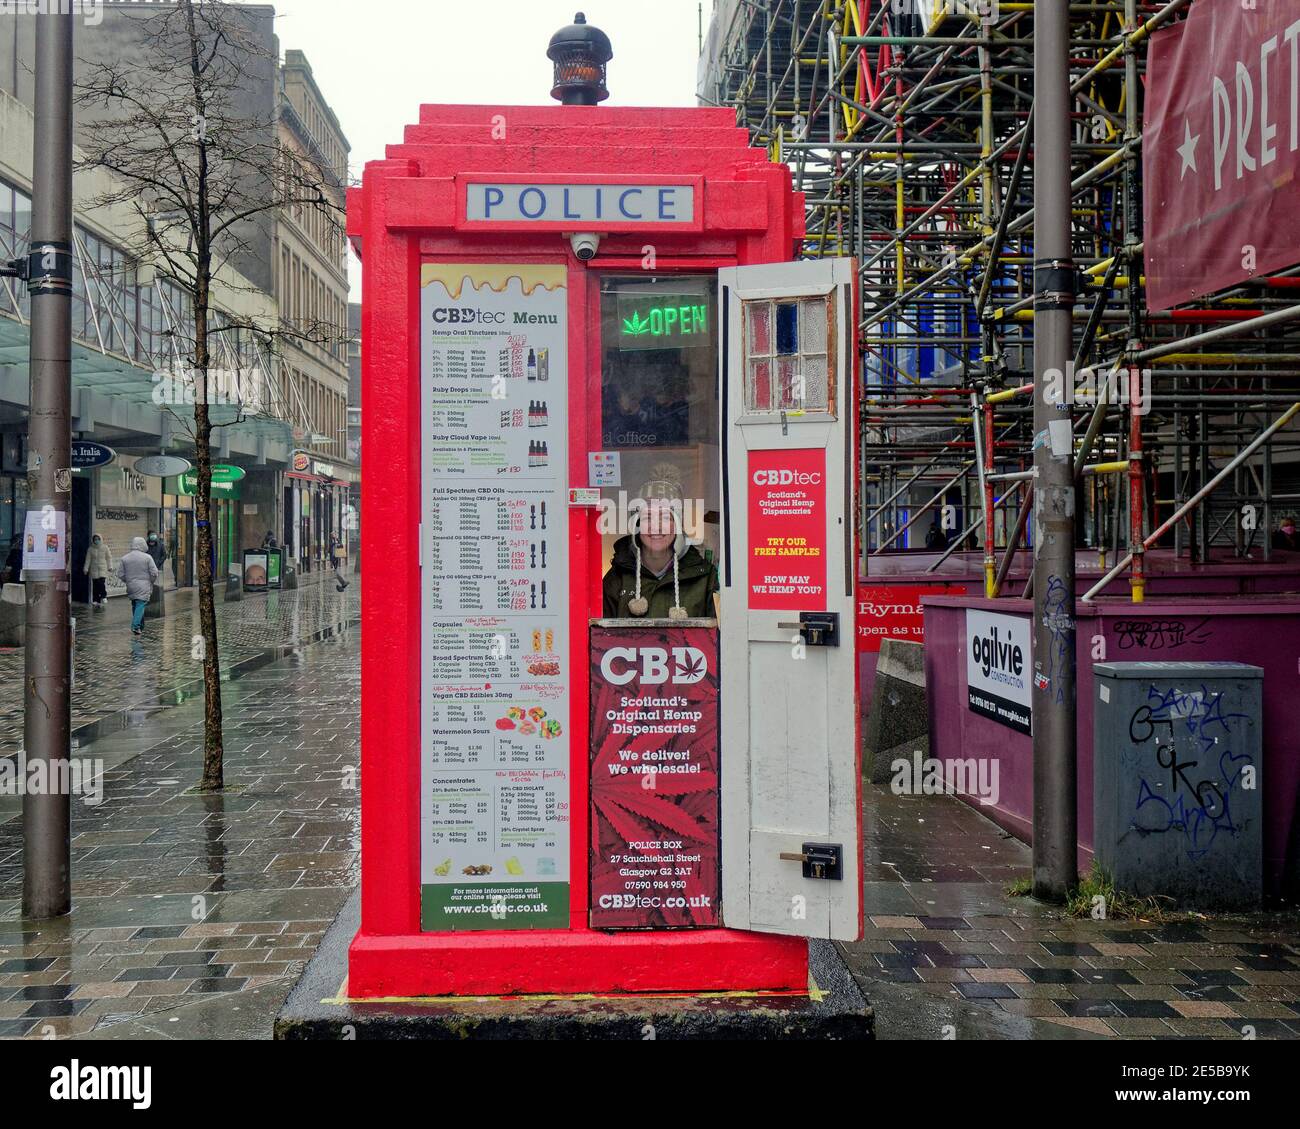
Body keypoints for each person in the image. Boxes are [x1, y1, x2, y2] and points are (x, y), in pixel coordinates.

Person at [602, 480, 718, 619]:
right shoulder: (617, 578)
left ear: (677, 524)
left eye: (664, 517)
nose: (656, 527)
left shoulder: (704, 578)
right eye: (648, 517)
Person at [116, 537, 159, 636]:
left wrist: (128, 580)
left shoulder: (125, 558)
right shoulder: (147, 557)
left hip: (131, 585)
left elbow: (120, 574)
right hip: (144, 585)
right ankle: (135, 626)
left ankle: (141, 625)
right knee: (140, 604)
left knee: (136, 604)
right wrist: (151, 581)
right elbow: (154, 573)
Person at [83, 533, 112, 608]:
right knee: (95, 585)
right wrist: (86, 569)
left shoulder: (105, 547)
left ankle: (103, 596)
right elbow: (88, 560)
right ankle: (96, 600)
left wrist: (110, 567)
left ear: (100, 539)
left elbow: (109, 558)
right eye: (95, 539)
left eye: (98, 539)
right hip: (94, 569)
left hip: (102, 568)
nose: (96, 541)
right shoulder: (90, 549)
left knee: (101, 583)